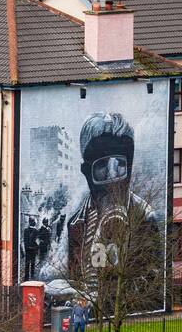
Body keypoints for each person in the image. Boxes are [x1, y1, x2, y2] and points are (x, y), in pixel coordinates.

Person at [67, 113, 163, 301]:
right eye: (102, 165)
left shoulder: (145, 217)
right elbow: (74, 274)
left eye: (120, 164)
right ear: (86, 171)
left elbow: (154, 275)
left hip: (121, 307)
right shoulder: (76, 223)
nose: (113, 176)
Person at [22, 216, 39, 280]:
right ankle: (32, 277)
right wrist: (37, 249)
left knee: (27, 264)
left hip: (27, 249)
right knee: (33, 264)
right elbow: (37, 242)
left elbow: (24, 240)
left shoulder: (25, 230)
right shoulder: (36, 231)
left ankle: (26, 278)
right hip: (33, 250)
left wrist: (26, 248)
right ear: (34, 223)